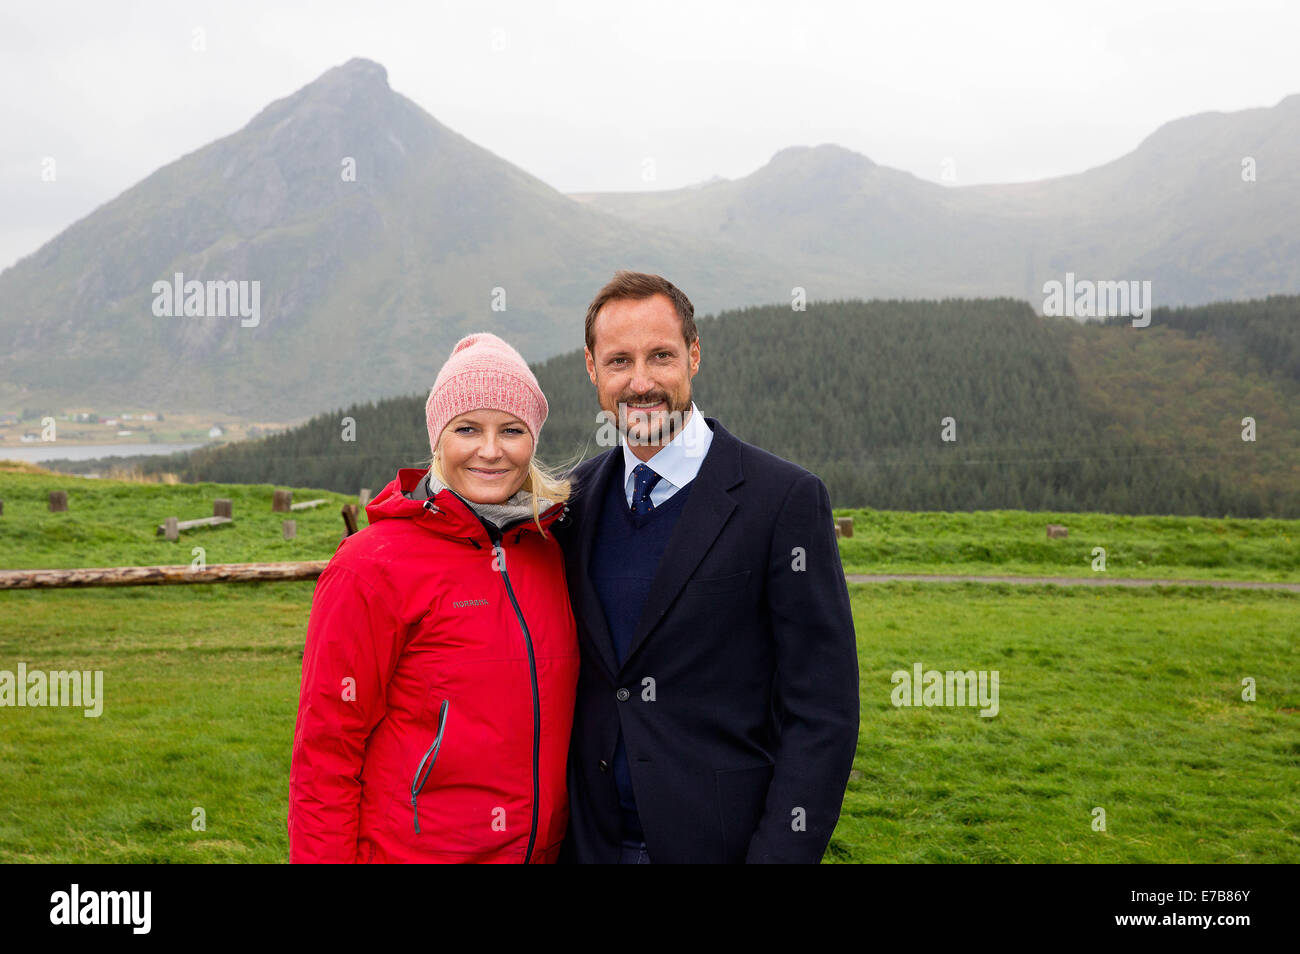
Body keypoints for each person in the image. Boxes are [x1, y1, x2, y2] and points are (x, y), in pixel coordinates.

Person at [558, 271, 860, 864]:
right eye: (619, 360)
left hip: (721, 846)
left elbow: (822, 711)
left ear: (693, 356)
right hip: (587, 844)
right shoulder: (572, 503)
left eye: (661, 356)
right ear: (592, 369)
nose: (640, 382)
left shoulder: (783, 500)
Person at [288, 333, 578, 863]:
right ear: (437, 438)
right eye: (467, 428)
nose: (490, 450)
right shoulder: (370, 565)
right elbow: (326, 753)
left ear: (533, 441)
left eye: (511, 430)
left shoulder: (551, 552)